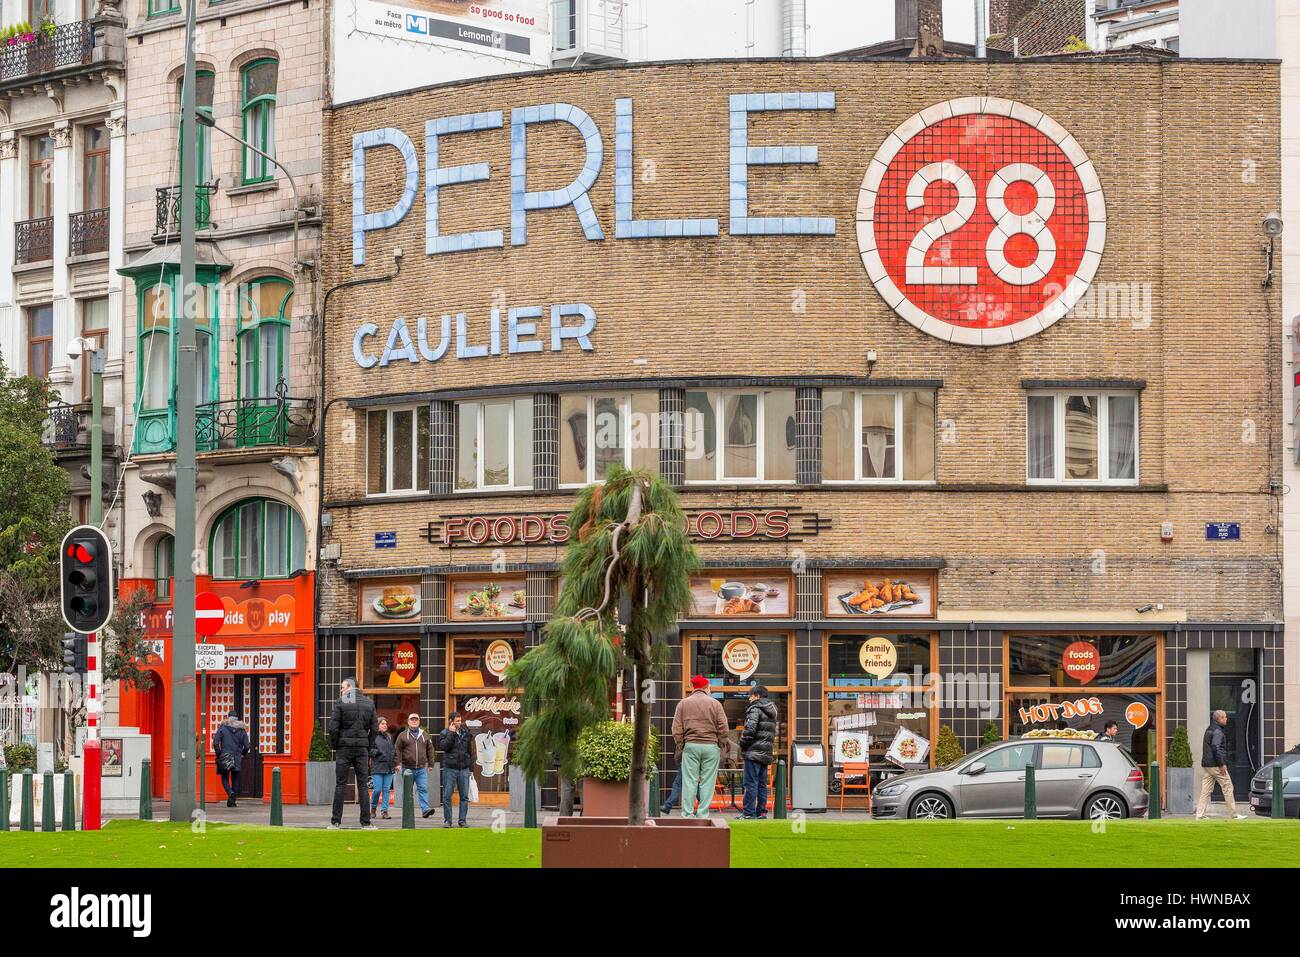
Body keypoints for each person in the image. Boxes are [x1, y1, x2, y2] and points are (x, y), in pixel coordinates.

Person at [672, 674, 729, 818]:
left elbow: (676, 728)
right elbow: (724, 728)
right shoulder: (715, 704)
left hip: (690, 745)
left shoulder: (683, 704)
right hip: (711, 746)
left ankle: (687, 814)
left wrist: (682, 744)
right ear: (706, 687)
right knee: (707, 782)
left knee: (689, 781)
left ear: (693, 688)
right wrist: (719, 744)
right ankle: (703, 814)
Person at [328, 677, 379, 830]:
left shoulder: (341, 702)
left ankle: (336, 821)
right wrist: (368, 746)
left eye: (342, 687)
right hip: (362, 749)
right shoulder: (369, 703)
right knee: (363, 785)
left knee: (340, 784)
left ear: (350, 687)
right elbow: (375, 729)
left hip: (344, 748)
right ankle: (366, 822)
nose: (341, 690)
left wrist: (336, 745)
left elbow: (333, 728)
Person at [1196, 710, 1248, 820]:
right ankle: (1234, 814)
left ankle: (1200, 815)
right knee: (1228, 787)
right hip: (1216, 765)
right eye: (1224, 717)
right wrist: (1222, 764)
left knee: (1206, 790)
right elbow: (1216, 747)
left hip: (1208, 765)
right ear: (1218, 719)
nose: (1226, 719)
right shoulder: (1218, 731)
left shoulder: (1210, 729)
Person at [739, 684, 778, 819]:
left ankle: (748, 813)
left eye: (751, 695)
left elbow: (749, 730)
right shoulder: (772, 711)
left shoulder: (755, 709)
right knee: (762, 784)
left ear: (757, 696)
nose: (749, 698)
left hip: (753, 753)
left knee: (750, 783)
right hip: (766, 753)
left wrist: (742, 745)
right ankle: (761, 812)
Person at [394, 712, 436, 819]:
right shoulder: (402, 735)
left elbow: (430, 750)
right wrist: (397, 763)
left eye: (416, 720)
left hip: (421, 768)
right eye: (412, 720)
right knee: (407, 791)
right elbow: (397, 750)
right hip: (407, 769)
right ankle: (407, 811)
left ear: (419, 722)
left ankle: (425, 810)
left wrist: (431, 764)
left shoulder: (425, 735)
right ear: (408, 722)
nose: (414, 721)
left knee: (423, 789)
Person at [438, 711, 475, 828]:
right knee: (447, 795)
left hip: (464, 768)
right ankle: (448, 821)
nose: (460, 723)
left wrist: (471, 767)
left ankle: (462, 820)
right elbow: (444, 747)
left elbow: (469, 751)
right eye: (457, 721)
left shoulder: (465, 733)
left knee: (464, 796)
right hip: (450, 768)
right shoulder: (444, 733)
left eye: (460, 720)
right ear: (451, 721)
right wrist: (451, 733)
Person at [213, 710, 251, 808]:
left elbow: (216, 742)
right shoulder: (242, 730)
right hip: (237, 756)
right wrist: (243, 753)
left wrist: (219, 754)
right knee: (235, 779)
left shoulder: (223, 728)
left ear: (228, 717)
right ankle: (232, 801)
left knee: (224, 778)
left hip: (225, 756)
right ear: (237, 718)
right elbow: (247, 745)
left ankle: (230, 793)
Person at [369, 717, 397, 820]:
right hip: (377, 767)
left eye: (385, 723)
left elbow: (393, 751)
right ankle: (373, 808)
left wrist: (395, 763)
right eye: (382, 723)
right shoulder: (373, 736)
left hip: (389, 767)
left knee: (386, 790)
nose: (385, 725)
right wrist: (378, 752)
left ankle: (385, 811)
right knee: (377, 790)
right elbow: (369, 750)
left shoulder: (389, 736)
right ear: (377, 725)